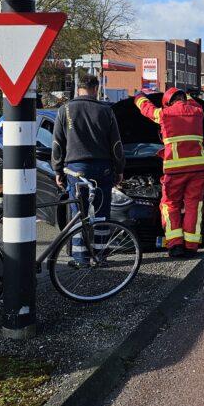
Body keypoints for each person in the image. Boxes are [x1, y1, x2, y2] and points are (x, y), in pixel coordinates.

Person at [52, 75, 125, 267]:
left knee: (78, 213)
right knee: (102, 214)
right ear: (96, 89)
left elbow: (58, 145)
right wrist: (119, 169)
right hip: (103, 169)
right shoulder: (106, 111)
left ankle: (80, 258)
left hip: (76, 170)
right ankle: (100, 256)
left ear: (78, 89)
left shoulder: (65, 110)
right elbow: (116, 145)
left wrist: (58, 170)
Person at [134, 86, 204, 259]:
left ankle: (175, 245)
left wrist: (139, 96)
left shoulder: (164, 114)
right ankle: (191, 246)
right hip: (199, 168)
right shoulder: (198, 112)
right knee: (193, 205)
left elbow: (146, 109)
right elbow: (190, 101)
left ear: (168, 102)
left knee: (170, 205)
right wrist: (185, 93)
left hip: (175, 169)